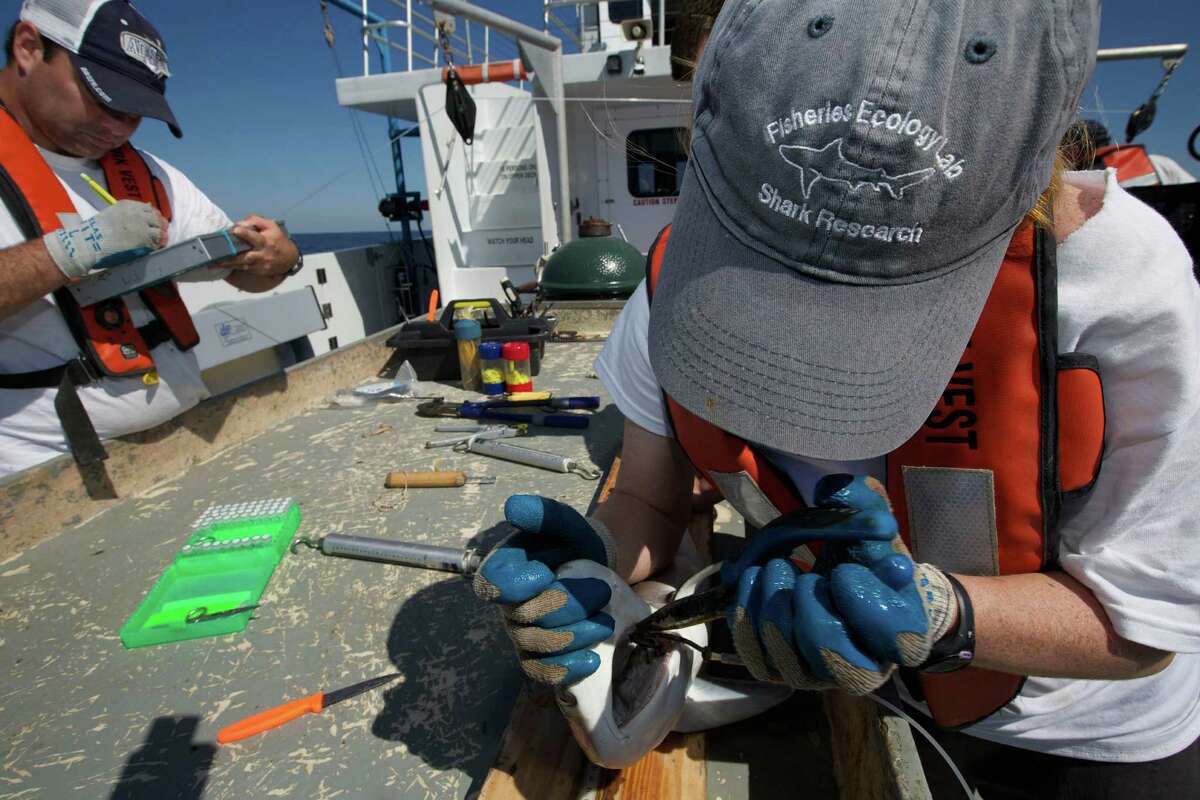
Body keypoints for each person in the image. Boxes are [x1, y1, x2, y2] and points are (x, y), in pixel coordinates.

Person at [469, 1, 1200, 797]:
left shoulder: (1123, 284)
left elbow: (1146, 623)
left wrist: (944, 615)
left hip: (1081, 740)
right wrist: (592, 566)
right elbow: (648, 493)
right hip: (864, 701)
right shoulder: (681, 270)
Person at [0, 0, 300, 476]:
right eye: (106, 98)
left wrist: (279, 260)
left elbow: (248, 279)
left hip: (180, 444)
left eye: (137, 111)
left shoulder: (150, 175)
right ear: (29, 48)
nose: (121, 125)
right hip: (46, 474)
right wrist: (72, 250)